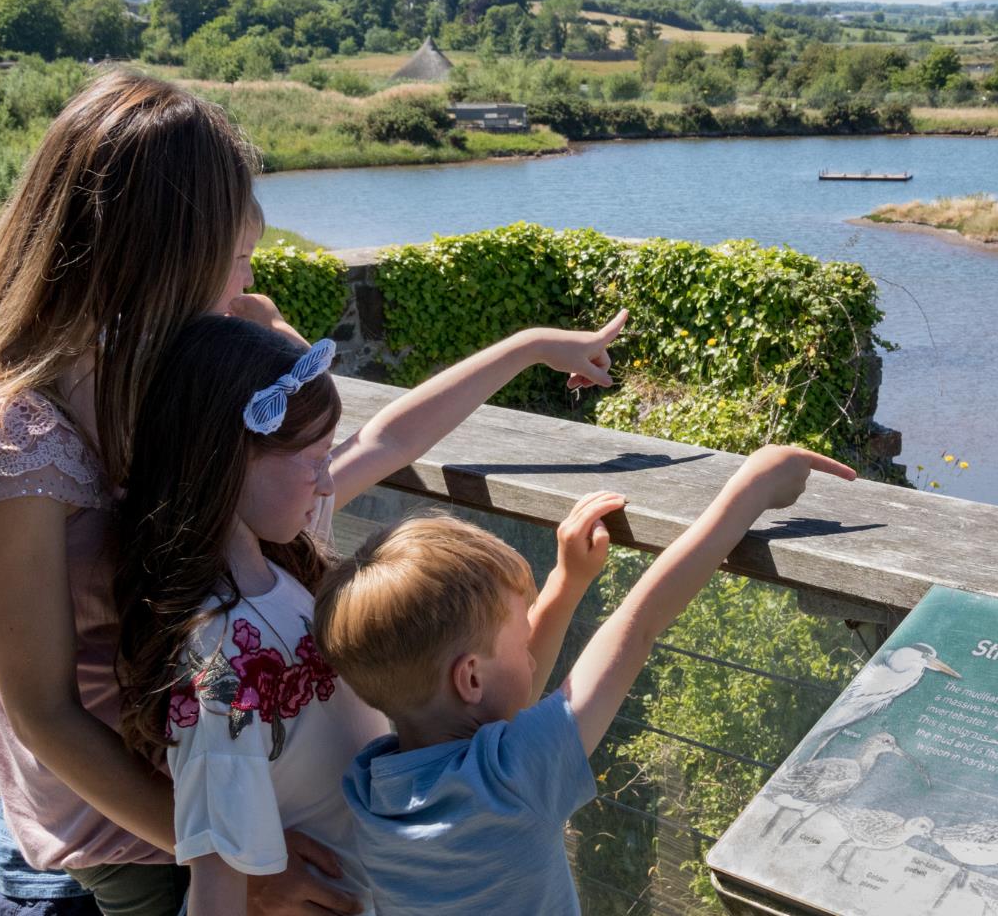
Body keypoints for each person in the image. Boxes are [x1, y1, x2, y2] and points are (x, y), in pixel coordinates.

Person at [0, 70, 351, 916]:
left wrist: (261, 343)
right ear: (165, 251)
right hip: (129, 842)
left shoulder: (121, 375)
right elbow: (44, 710)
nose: (244, 286)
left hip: (183, 809)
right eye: (237, 257)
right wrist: (242, 865)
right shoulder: (1, 439)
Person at [113, 310, 626, 916]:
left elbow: (394, 436)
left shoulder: (292, 559)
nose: (328, 482)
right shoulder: (218, 665)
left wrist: (529, 345)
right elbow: (216, 887)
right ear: (229, 460)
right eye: (313, 458)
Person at [314, 443, 854, 913]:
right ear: (470, 679)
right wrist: (754, 486)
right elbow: (637, 623)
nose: (531, 646)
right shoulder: (513, 778)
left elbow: (504, 704)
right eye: (519, 635)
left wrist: (567, 583)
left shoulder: (373, 787)